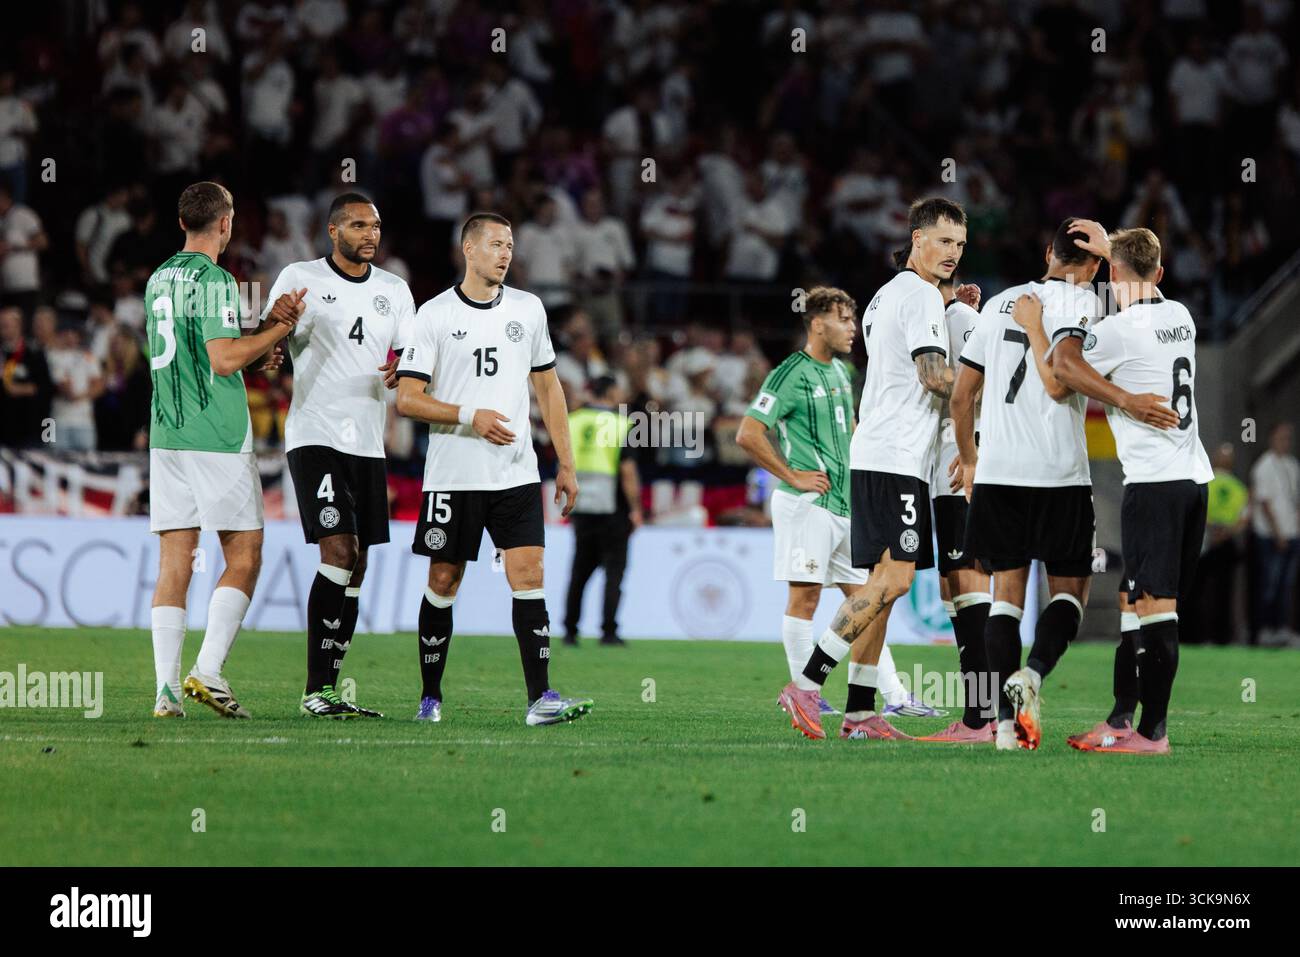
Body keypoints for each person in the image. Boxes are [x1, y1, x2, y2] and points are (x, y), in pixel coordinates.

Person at [777, 197, 965, 742]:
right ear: (917, 239)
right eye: (944, 241)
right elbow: (933, 373)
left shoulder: (888, 295)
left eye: (959, 244)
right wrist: (988, 387)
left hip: (879, 452)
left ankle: (860, 712)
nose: (952, 252)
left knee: (880, 585)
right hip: (897, 457)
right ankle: (807, 685)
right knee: (893, 581)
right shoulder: (923, 295)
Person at [394, 212, 593, 726]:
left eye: (510, 245)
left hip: (516, 473)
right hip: (453, 477)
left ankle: (540, 699)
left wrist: (566, 464)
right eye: (496, 244)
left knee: (529, 575)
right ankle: (430, 696)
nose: (506, 253)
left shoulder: (528, 309)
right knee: (445, 579)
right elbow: (409, 400)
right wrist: (468, 416)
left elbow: (549, 389)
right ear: (469, 249)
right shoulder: (433, 315)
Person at [738, 285, 943, 723]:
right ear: (817, 324)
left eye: (854, 319)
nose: (853, 329)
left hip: (844, 503)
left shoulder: (840, 373)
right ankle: (808, 693)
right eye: (843, 320)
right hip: (805, 503)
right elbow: (749, 433)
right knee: (806, 598)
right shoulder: (789, 373)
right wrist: (792, 476)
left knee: (870, 596)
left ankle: (894, 696)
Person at [1044, 223, 1208, 755]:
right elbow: (1140, 273)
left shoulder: (1117, 330)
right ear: (1160, 274)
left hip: (1154, 487)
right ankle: (1119, 717)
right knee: (1133, 600)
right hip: (1191, 481)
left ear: (1111, 274)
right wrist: (1116, 248)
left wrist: (1035, 324)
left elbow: (1061, 370)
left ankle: (1152, 733)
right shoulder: (1180, 316)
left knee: (1155, 607)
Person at [950, 217, 1107, 751]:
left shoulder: (998, 303)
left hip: (998, 473)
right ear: (1091, 267)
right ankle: (1033, 675)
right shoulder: (1085, 303)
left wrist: (970, 460)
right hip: (1059, 473)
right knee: (1072, 594)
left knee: (1005, 600)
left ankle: (1000, 729)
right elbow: (1061, 384)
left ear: (1047, 252)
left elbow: (960, 396)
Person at [264, 192, 416, 718]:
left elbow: (409, 357)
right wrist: (276, 330)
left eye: (375, 226)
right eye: (358, 226)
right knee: (339, 551)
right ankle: (314, 690)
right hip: (316, 434)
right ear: (333, 232)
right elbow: (266, 353)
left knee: (359, 564)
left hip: (368, 442)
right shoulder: (300, 277)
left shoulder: (395, 290)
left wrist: (405, 370)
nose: (370, 234)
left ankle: (328, 689)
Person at [146, 181, 295, 719]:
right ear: (225, 224)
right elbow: (223, 360)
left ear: (182, 220)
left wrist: (255, 351)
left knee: (174, 561)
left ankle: (165, 692)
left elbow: (202, 352)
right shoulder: (215, 280)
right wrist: (275, 329)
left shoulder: (159, 278)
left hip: (167, 434)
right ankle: (207, 671)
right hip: (216, 435)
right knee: (245, 555)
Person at [916, 272, 999, 743]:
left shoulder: (962, 316)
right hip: (943, 466)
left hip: (961, 464)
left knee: (969, 584)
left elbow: (985, 380)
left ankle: (982, 717)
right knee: (956, 593)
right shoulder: (939, 318)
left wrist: (973, 453)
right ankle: (984, 712)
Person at [562, 375, 641, 647]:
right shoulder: (621, 424)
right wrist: (636, 508)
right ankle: (608, 630)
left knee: (579, 571)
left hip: (580, 504)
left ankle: (570, 630)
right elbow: (627, 471)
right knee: (614, 572)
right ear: (609, 392)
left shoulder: (572, 421)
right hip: (613, 507)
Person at [1187, 443, 1249, 645]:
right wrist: (1227, 532)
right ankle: (1219, 636)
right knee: (1223, 592)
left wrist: (1214, 530)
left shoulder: (1204, 482)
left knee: (1197, 589)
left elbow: (1195, 510)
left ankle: (1195, 635)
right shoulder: (1238, 487)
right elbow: (1244, 518)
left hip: (1205, 541)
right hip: (1224, 544)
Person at [1249, 422, 1300, 645]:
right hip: (1270, 536)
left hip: (1291, 533)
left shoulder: (1292, 465)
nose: (1285, 441)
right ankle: (1264, 629)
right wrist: (1278, 533)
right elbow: (1266, 504)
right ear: (1272, 438)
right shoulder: (1264, 466)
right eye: (1281, 437)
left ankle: (1282, 629)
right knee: (1270, 584)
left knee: (1286, 585)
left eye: (1288, 437)